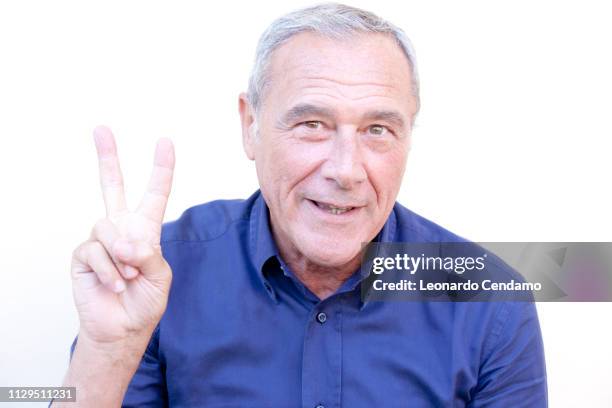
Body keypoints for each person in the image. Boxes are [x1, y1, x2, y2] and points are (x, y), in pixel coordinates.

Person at [55, 3, 547, 407]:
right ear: (250, 126)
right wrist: (106, 353)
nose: (346, 169)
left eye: (378, 129)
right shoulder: (159, 270)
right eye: (312, 124)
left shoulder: (490, 304)